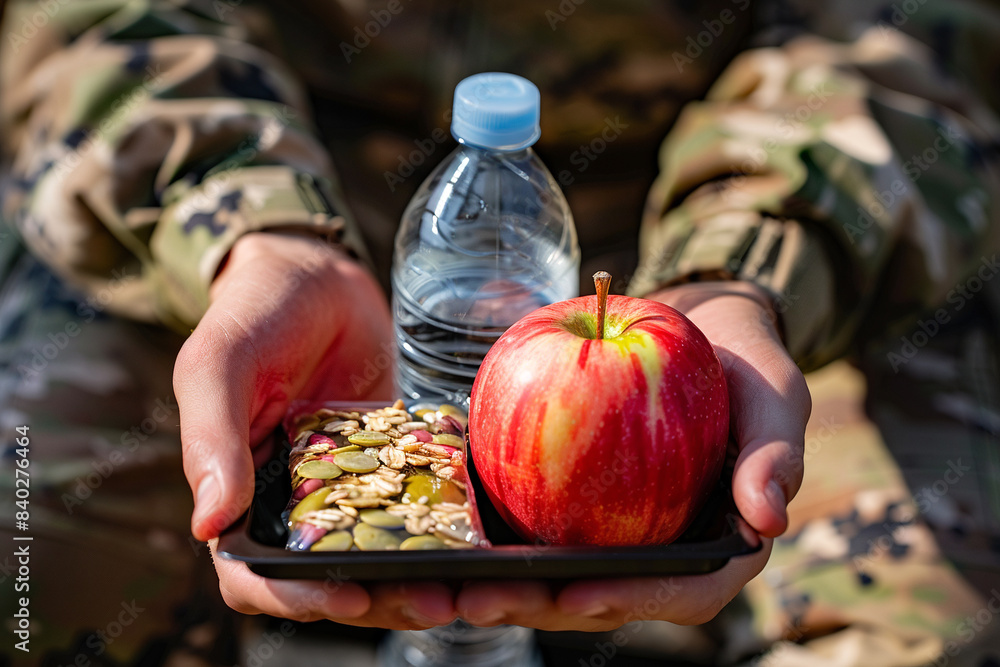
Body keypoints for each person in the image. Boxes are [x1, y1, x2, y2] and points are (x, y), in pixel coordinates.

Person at [0, 0, 997, 664]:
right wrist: (246, 233)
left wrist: (753, 266)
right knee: (23, 558)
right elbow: (98, 20)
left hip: (717, 235)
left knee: (933, 628)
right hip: (287, 206)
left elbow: (899, 32)